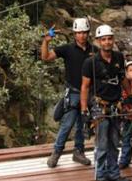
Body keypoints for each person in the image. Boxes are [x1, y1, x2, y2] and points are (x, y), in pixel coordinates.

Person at [81, 24, 131, 181]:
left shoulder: (118, 57)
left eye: (109, 39)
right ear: (98, 41)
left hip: (116, 105)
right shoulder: (90, 62)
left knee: (114, 142)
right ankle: (101, 176)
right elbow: (85, 87)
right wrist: (84, 110)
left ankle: (113, 174)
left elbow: (122, 78)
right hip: (99, 106)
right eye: (104, 39)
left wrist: (130, 96)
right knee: (102, 144)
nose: (107, 42)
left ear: (113, 40)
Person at [40, 17, 94, 168]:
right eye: (79, 33)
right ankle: (56, 153)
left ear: (88, 33)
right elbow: (45, 57)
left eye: (84, 32)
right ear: (74, 34)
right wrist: (46, 42)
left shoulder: (94, 51)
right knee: (68, 123)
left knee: (82, 124)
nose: (82, 35)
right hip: (73, 93)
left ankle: (79, 152)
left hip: (88, 93)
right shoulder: (67, 49)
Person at [118, 60, 132, 169]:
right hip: (127, 117)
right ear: (126, 74)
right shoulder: (123, 88)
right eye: (130, 70)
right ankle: (124, 160)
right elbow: (121, 101)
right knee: (126, 139)